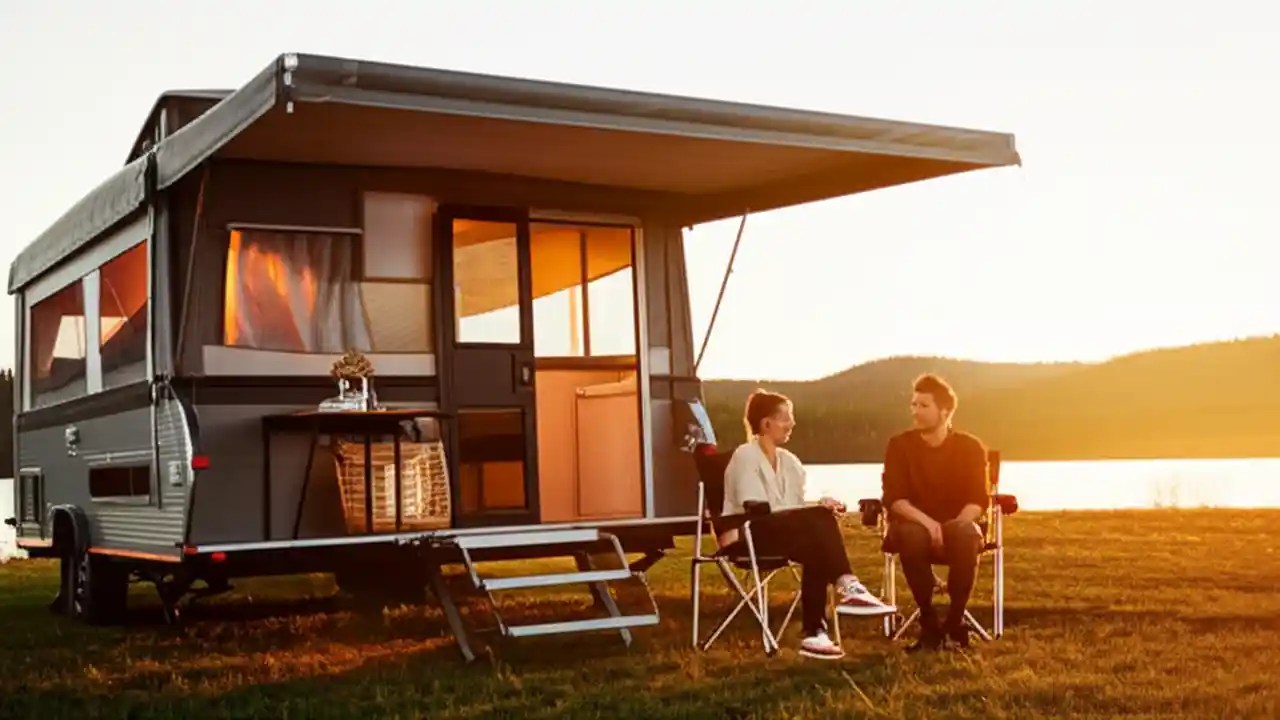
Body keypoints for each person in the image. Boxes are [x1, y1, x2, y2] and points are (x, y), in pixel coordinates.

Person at [721, 389, 896, 660]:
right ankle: (848, 585)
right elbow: (756, 509)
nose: (792, 424)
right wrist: (812, 512)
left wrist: (818, 504)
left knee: (818, 545)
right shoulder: (745, 456)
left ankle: (815, 633)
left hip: (782, 533)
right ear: (766, 424)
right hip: (749, 535)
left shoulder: (790, 462)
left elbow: (794, 506)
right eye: (786, 419)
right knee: (818, 522)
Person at [882, 373, 990, 652]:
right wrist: (931, 526)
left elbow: (978, 498)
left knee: (966, 534)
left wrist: (952, 526)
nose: (915, 411)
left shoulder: (970, 447)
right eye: (914, 405)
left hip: (958, 523)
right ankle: (929, 622)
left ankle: (954, 622)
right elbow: (895, 499)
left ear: (944, 411)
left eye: (923, 406)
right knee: (911, 535)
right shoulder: (899, 446)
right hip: (914, 524)